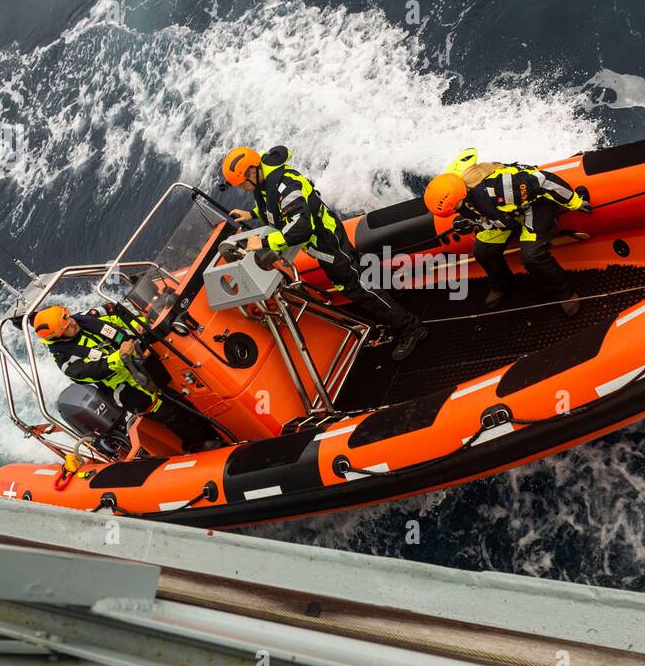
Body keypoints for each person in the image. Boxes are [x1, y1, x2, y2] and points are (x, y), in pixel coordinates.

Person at [222, 145, 427, 360]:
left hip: (328, 243)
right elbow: (274, 208)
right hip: (325, 242)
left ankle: (411, 328)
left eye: (243, 182)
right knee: (358, 273)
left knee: (356, 288)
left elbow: (300, 228)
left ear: (253, 171)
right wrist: (252, 214)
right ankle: (392, 294)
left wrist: (264, 241)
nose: (243, 188)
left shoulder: (285, 187)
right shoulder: (266, 181)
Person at [424, 148, 591, 316]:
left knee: (532, 256)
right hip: (503, 215)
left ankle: (565, 293)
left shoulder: (499, 188)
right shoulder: (458, 192)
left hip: (534, 206)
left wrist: (575, 202)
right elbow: (482, 213)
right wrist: (472, 221)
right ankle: (501, 284)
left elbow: (543, 181)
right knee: (482, 251)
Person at [31, 303, 215, 451]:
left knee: (183, 394)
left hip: (145, 363)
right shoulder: (65, 360)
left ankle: (212, 427)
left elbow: (117, 311)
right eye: (66, 326)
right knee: (170, 413)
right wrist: (119, 356)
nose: (72, 322)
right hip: (129, 388)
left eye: (68, 317)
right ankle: (202, 443)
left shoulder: (90, 317)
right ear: (58, 337)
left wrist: (137, 325)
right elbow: (91, 371)